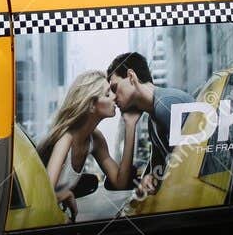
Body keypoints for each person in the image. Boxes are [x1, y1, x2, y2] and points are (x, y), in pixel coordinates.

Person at [105, 51, 203, 199]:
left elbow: (188, 165)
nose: (112, 97)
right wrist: (150, 178)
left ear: (131, 77)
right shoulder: (154, 117)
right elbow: (158, 170)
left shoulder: (167, 104)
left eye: (114, 88)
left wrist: (154, 178)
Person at [37, 71, 120, 222]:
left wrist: (130, 124)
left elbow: (119, 181)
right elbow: (43, 200)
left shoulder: (96, 139)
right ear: (91, 106)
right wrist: (64, 194)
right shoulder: (65, 140)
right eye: (108, 94)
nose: (115, 96)